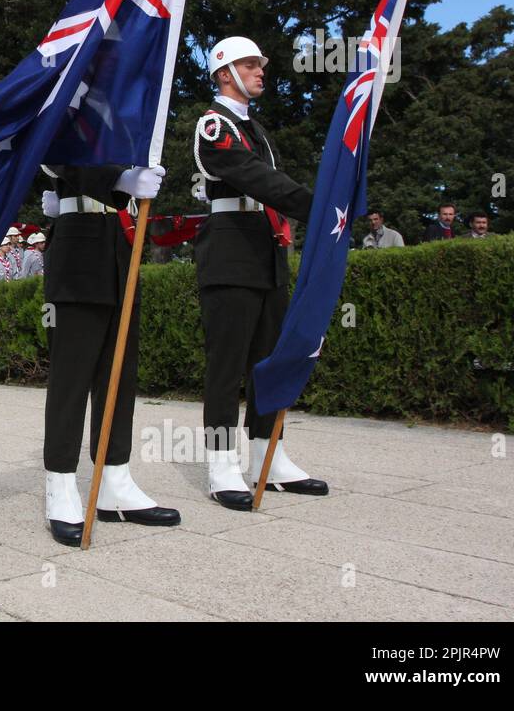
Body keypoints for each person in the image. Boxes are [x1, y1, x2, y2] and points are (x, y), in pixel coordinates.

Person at [193, 35, 327, 510]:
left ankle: (270, 455)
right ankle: (222, 463)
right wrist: (320, 203)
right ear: (225, 72)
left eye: (261, 64)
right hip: (230, 253)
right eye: (251, 64)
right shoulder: (215, 125)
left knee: (268, 363)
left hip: (265, 253)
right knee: (226, 367)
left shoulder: (257, 128)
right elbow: (256, 178)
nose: (260, 71)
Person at [40, 165, 179, 546]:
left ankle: (115, 478)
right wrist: (120, 179)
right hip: (77, 247)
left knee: (118, 374)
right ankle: (60, 482)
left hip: (119, 244)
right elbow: (58, 150)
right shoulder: (67, 106)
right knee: (71, 378)